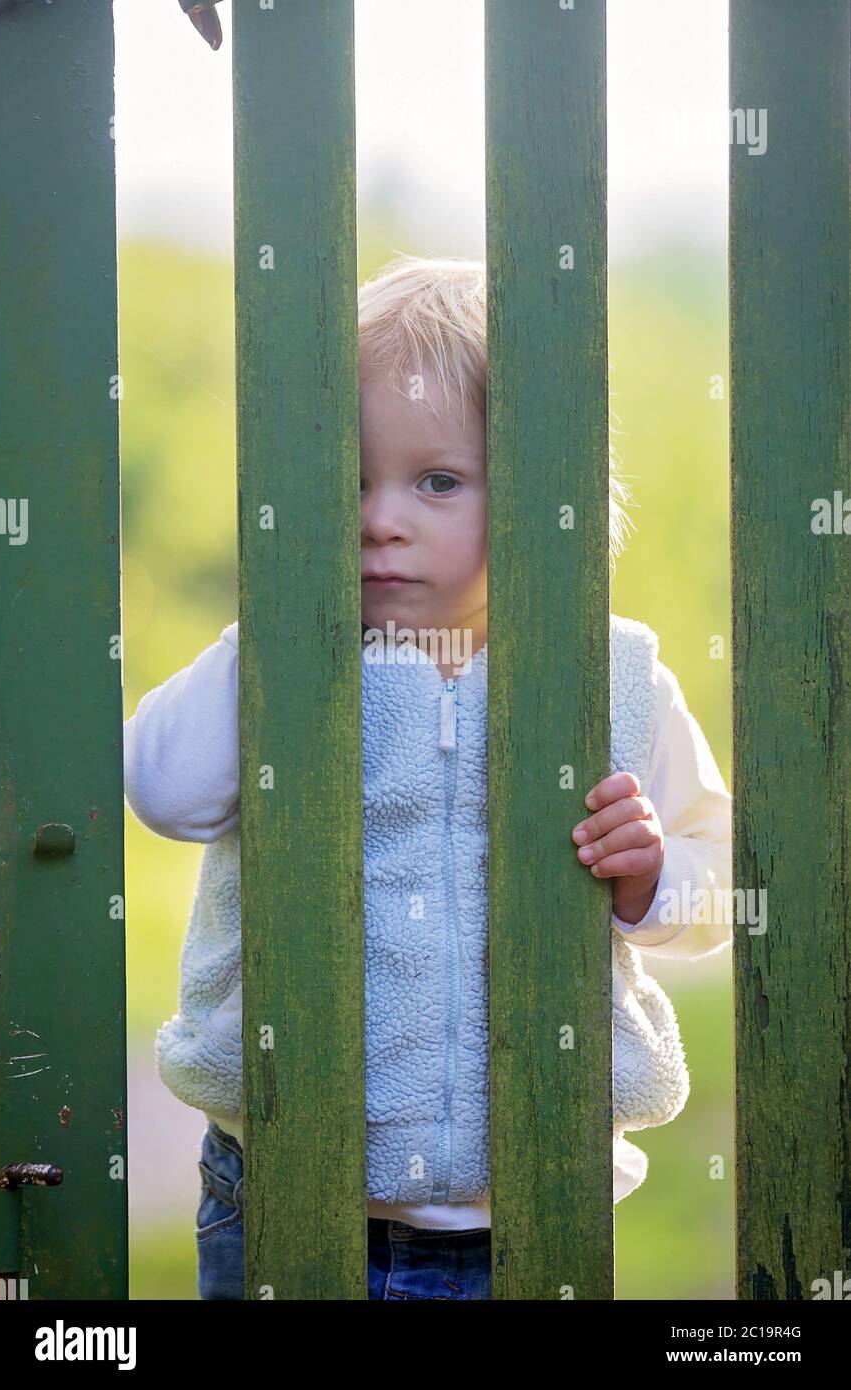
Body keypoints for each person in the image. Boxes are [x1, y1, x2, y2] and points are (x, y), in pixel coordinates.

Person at [123, 254, 733, 1300]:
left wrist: (649, 877)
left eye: (436, 481)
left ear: (540, 489)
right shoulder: (289, 656)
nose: (379, 518)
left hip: (531, 1205)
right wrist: (263, 630)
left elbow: (718, 878)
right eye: (349, 479)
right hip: (283, 1187)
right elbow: (161, 790)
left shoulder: (611, 673)